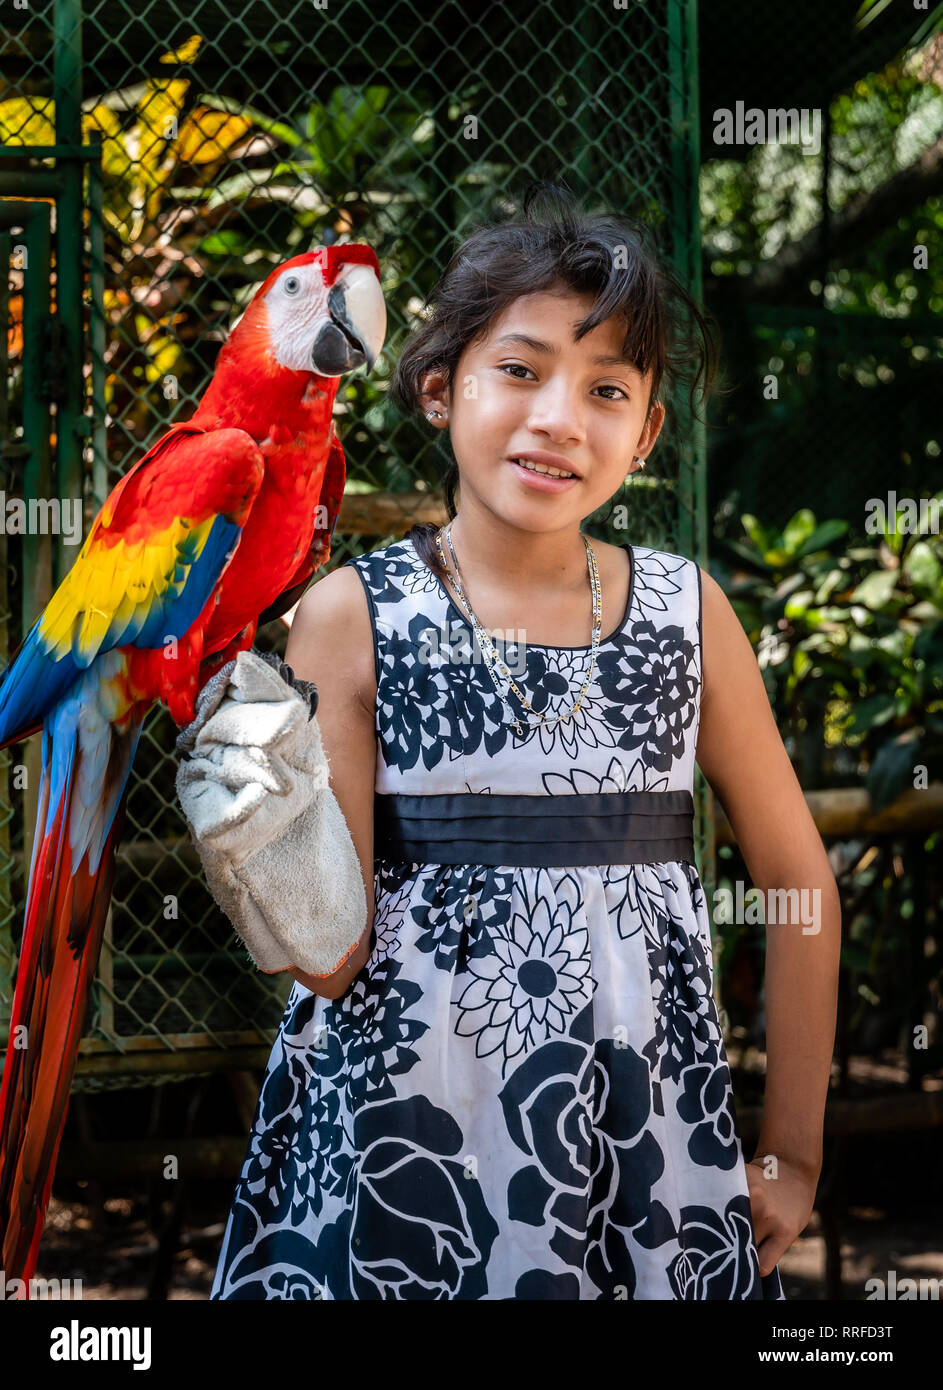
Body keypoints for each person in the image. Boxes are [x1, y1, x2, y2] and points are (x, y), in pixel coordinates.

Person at [209, 182, 841, 1300]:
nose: (559, 416)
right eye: (520, 368)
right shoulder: (348, 615)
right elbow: (333, 955)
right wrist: (266, 848)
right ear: (437, 389)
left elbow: (794, 878)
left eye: (606, 389)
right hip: (399, 1153)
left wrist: (791, 1150)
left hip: (642, 1156)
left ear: (644, 435)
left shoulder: (688, 616)